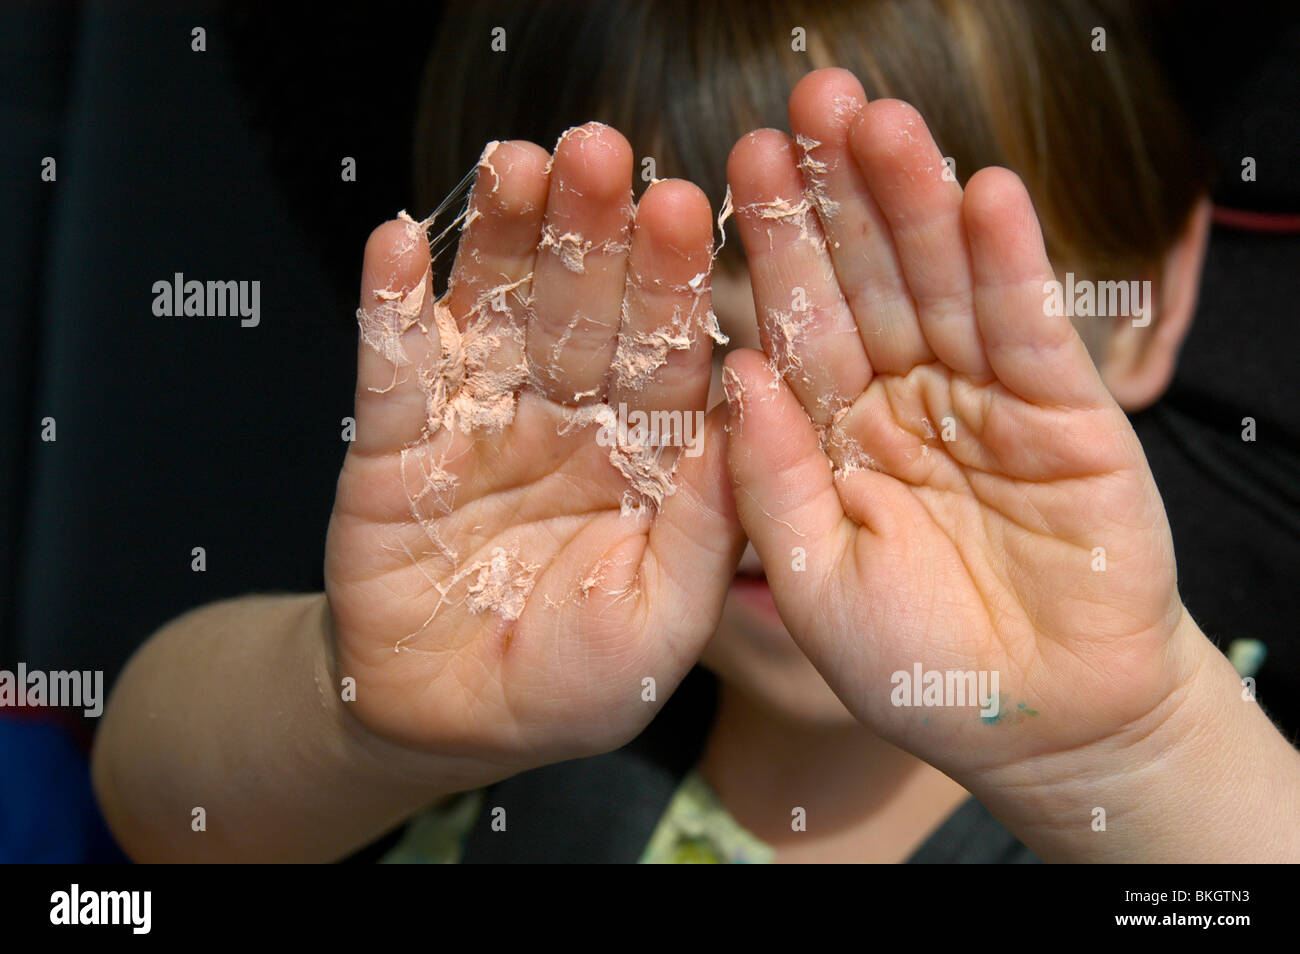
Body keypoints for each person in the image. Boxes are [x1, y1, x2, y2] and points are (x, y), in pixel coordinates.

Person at [91, 0, 1300, 863]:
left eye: (887, 364)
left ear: (1134, 309)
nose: (775, 450)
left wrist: (1134, 755)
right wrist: (362, 711)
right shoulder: (524, 702)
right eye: (662, 372)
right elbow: (158, 807)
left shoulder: (1201, 774)